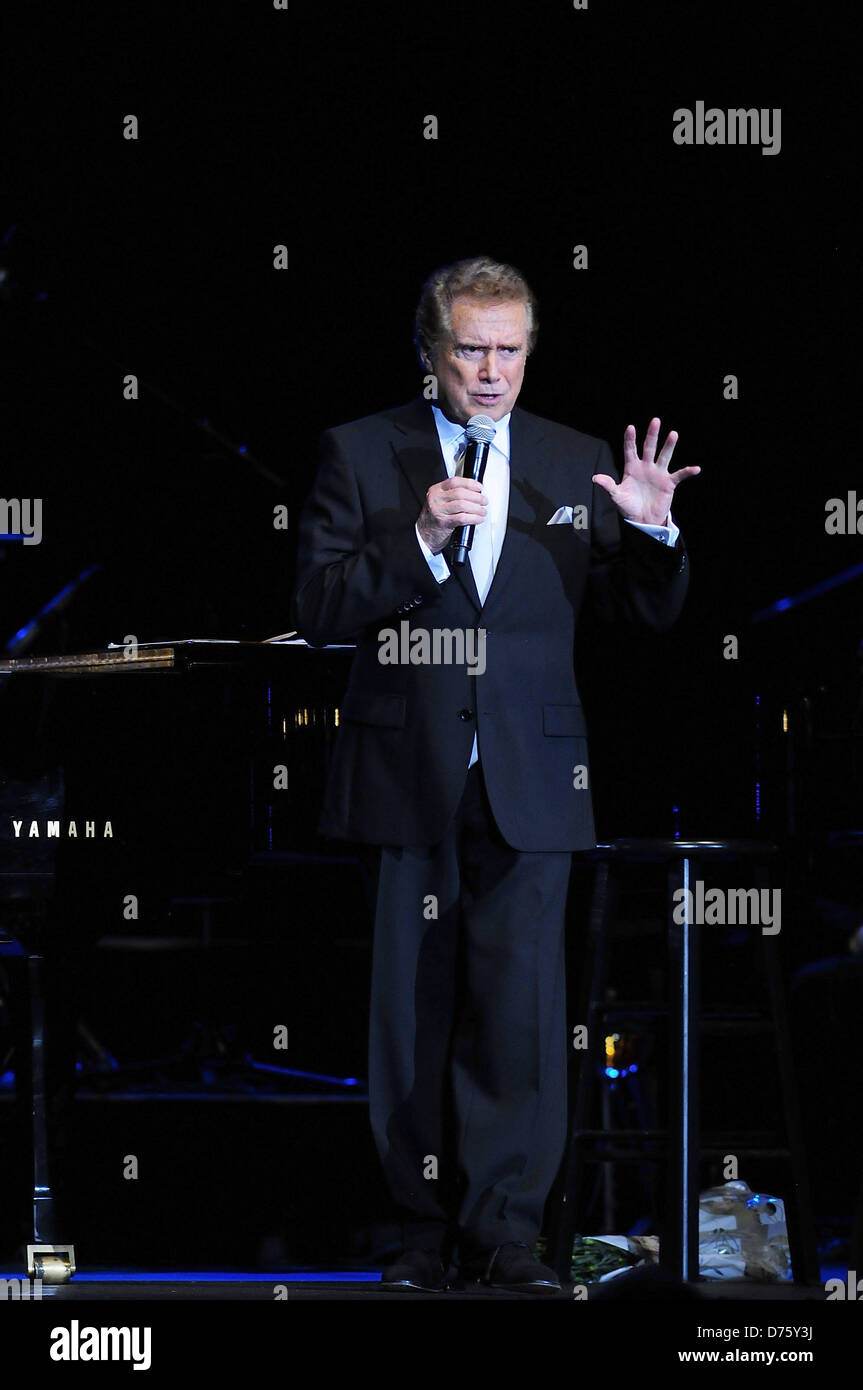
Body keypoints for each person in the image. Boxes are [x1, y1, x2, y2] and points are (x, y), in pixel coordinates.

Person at [291, 255, 697, 1292]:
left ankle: (508, 1234)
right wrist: (421, 539)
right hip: (405, 769)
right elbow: (322, 609)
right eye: (468, 348)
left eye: (507, 349)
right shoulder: (360, 451)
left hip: (532, 776)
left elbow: (642, 617)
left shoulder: (571, 460)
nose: (489, 371)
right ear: (429, 354)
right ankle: (416, 1235)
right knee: (410, 1016)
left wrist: (651, 532)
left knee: (518, 1013)